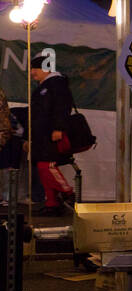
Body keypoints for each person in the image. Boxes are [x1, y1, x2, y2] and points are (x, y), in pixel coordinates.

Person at [28, 66, 77, 216]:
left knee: (46, 165)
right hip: (41, 134)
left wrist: (58, 128)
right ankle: (52, 204)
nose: (32, 72)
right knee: (42, 167)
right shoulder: (44, 86)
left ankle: (67, 192)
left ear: (46, 69)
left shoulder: (56, 83)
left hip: (50, 133)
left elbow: (62, 107)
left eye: (35, 68)